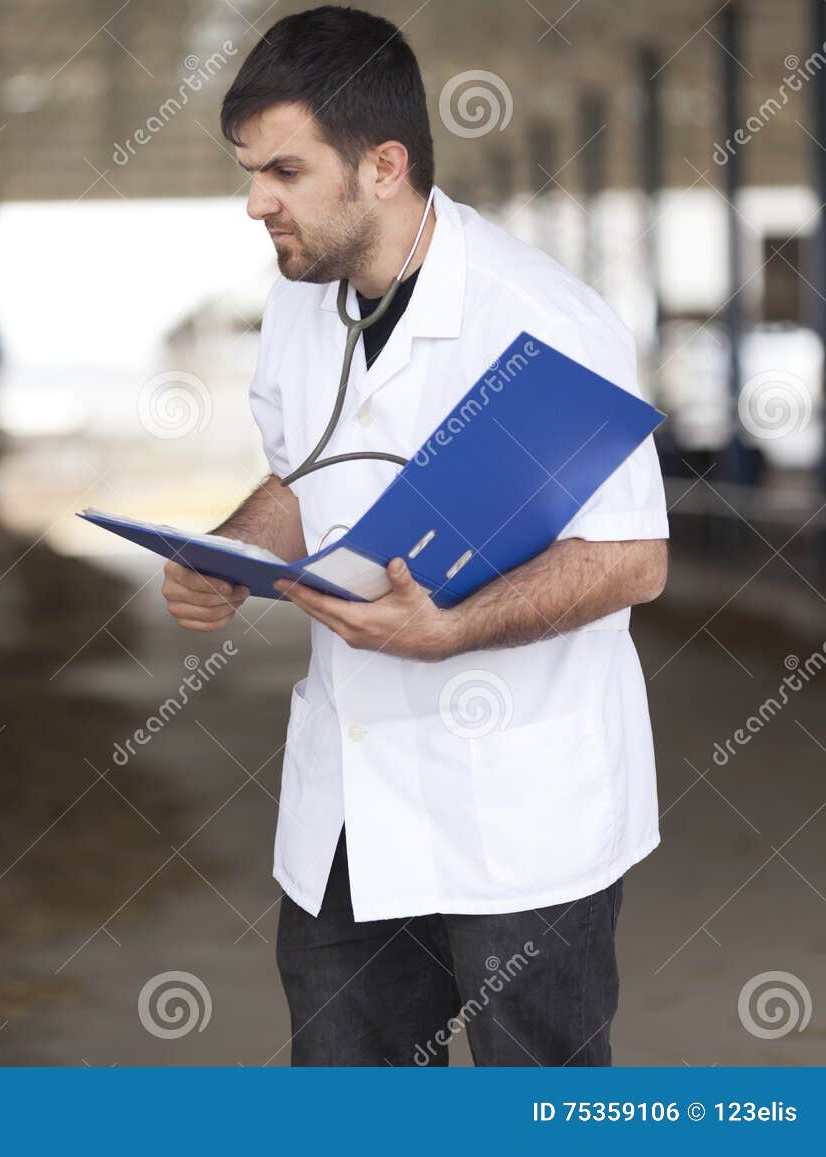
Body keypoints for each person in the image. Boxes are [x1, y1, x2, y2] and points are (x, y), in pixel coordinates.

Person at [162, 5, 669, 1066]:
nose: (257, 203)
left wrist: (452, 626)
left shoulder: (544, 318)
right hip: (349, 812)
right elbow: (302, 475)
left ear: (383, 164)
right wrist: (232, 552)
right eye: (251, 171)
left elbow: (630, 555)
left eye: (285, 173)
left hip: (517, 808)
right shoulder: (298, 304)